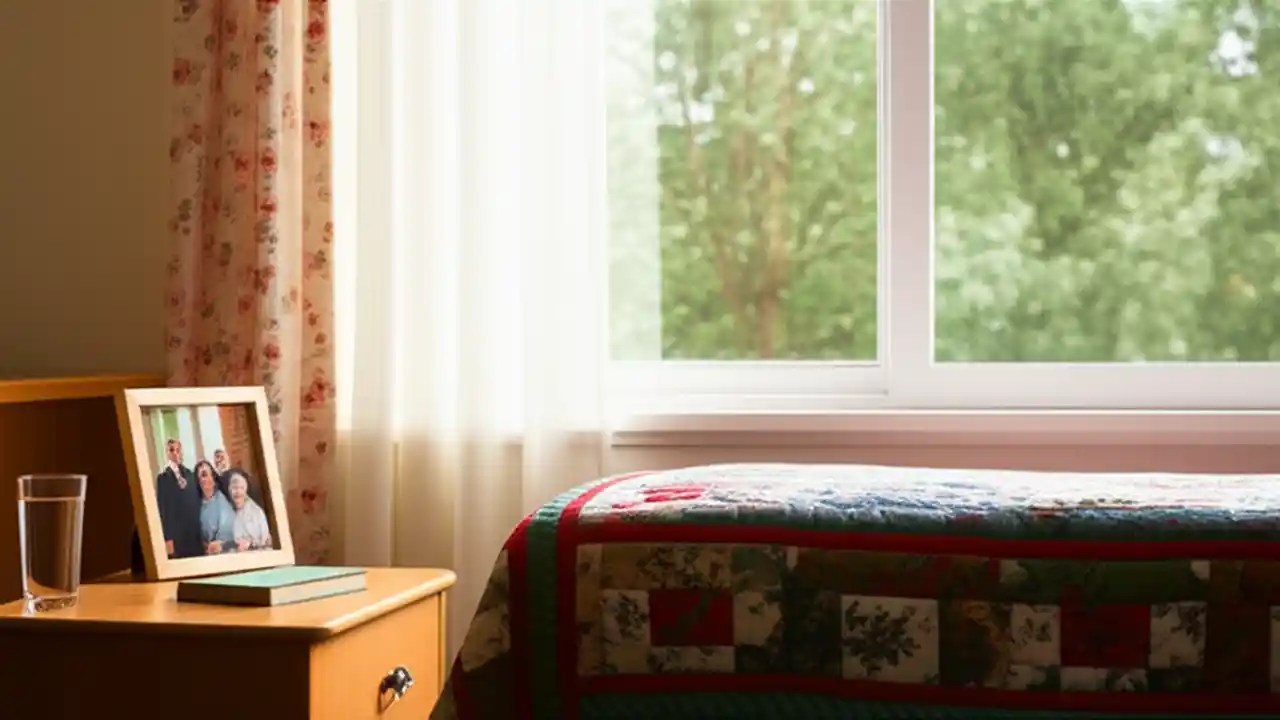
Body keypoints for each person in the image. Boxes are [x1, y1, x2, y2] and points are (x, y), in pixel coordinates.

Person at [155, 439, 201, 559]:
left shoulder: (191, 475)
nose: (175, 453)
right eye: (171, 450)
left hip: (194, 532)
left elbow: (196, 501)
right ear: (167, 453)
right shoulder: (162, 479)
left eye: (178, 450)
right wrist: (167, 538)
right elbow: (163, 509)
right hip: (176, 536)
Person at [194, 460, 235, 555]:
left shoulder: (222, 501)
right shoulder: (196, 505)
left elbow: (229, 530)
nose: (206, 478)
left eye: (209, 474)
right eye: (203, 475)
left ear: (213, 479)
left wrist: (219, 544)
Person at [228, 471, 273, 551]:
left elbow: (265, 541)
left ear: (245, 491)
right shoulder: (231, 511)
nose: (238, 492)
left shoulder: (255, 512)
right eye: (234, 488)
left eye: (241, 488)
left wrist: (249, 544)